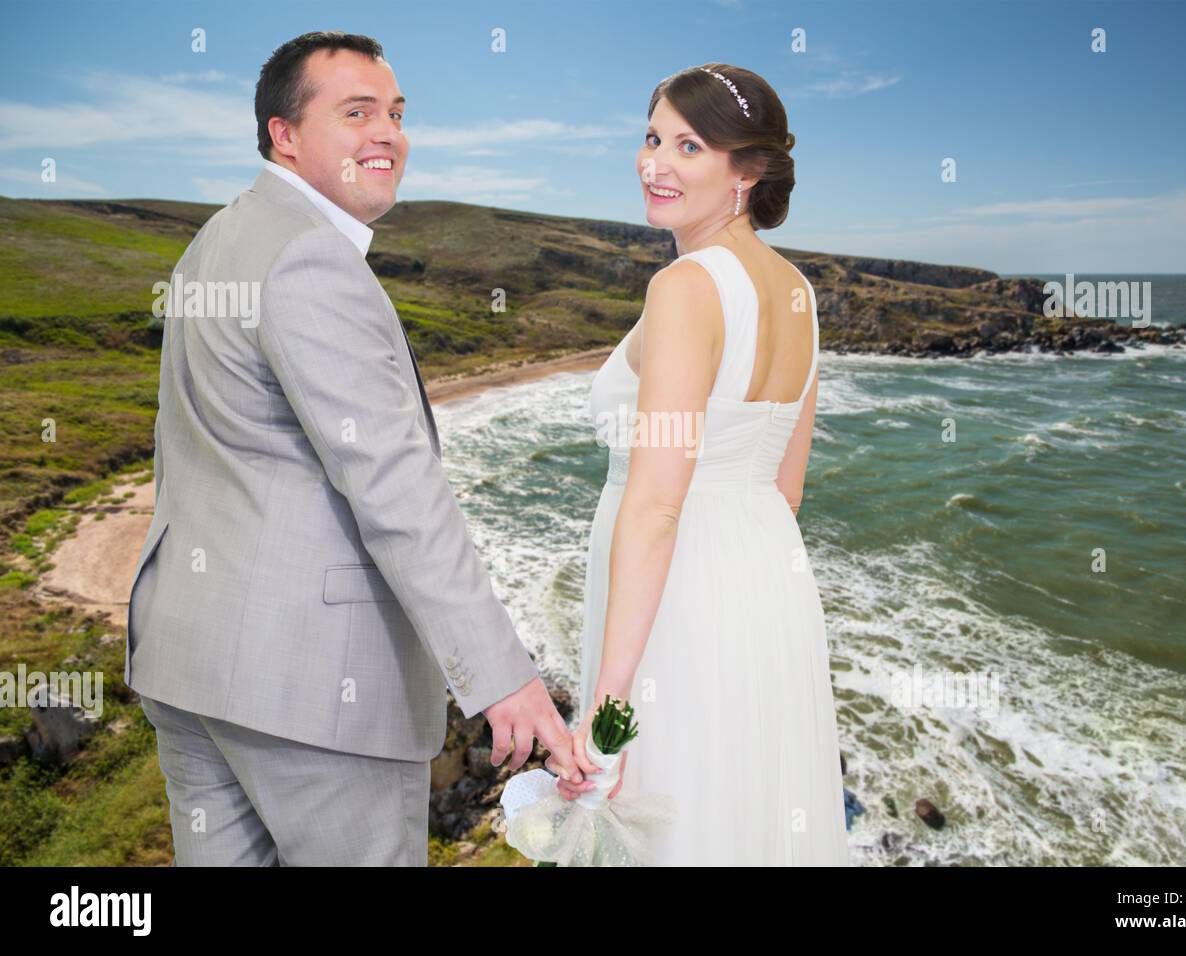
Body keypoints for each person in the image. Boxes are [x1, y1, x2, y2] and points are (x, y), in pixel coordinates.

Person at [126, 31, 575, 866]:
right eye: (356, 112)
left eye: (396, 114)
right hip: (311, 690)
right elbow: (395, 488)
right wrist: (502, 675)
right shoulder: (312, 261)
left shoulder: (215, 242)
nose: (387, 135)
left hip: (190, 664)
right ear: (283, 135)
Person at [549, 63, 850, 864]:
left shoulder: (684, 288)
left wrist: (608, 706)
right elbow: (786, 489)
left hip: (674, 595)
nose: (656, 162)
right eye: (652, 137)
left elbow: (656, 505)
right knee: (748, 804)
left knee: (670, 804)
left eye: (690, 145)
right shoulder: (798, 295)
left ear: (745, 172)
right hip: (764, 588)